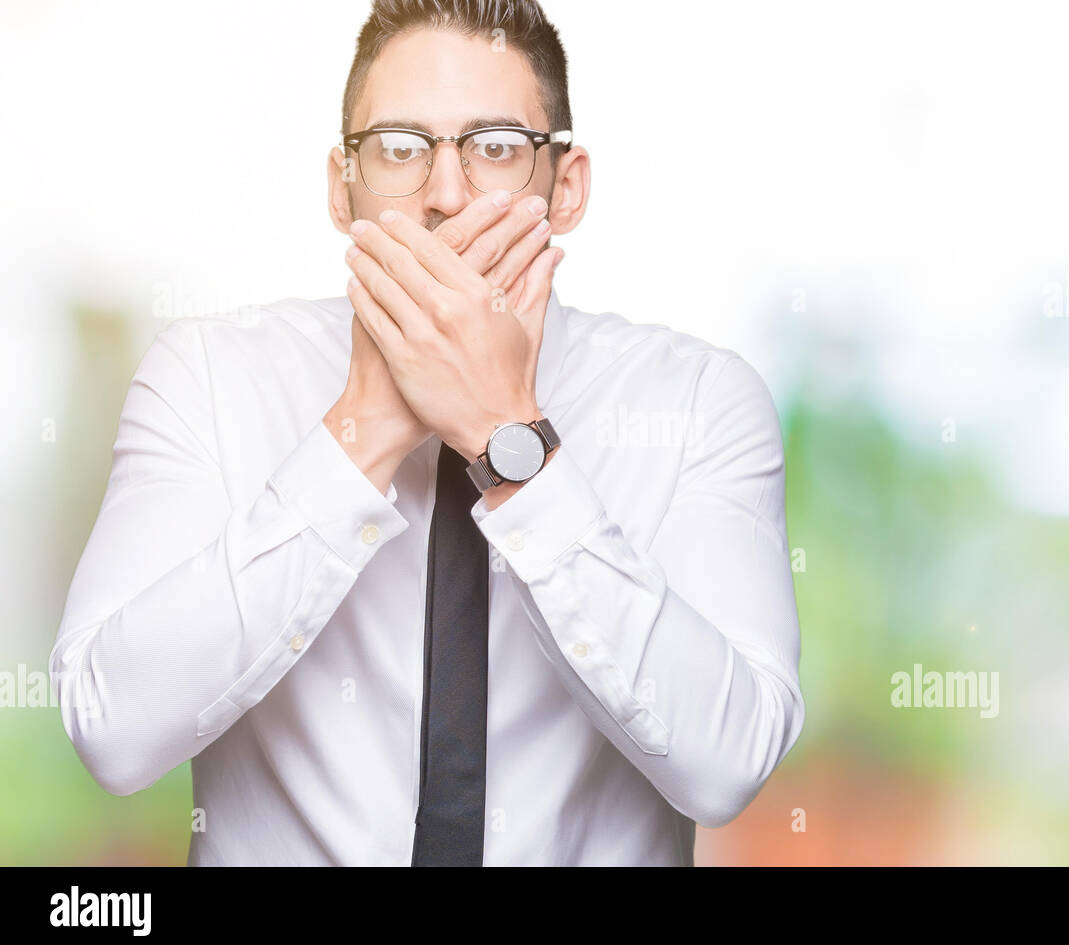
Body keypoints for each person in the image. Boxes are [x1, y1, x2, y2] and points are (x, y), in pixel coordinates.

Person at [50, 0, 804, 866]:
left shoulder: (701, 401)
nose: (445, 195)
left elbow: (731, 763)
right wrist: (361, 431)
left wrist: (507, 435)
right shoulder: (210, 379)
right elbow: (110, 730)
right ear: (343, 188)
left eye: (495, 147)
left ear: (567, 187)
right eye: (402, 148)